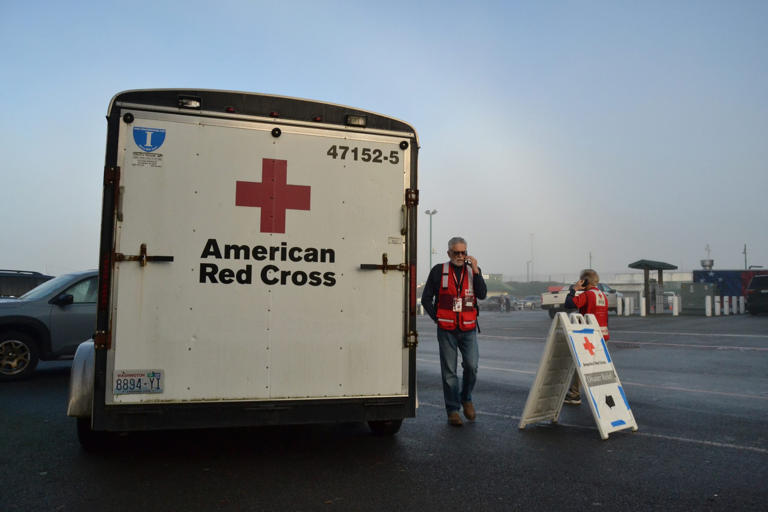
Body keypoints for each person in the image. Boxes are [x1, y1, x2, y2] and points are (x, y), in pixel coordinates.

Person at [421, 237, 487, 426]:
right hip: (446, 329)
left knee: (472, 366)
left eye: (463, 252)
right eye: (456, 252)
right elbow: (426, 299)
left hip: (468, 328)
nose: (460, 256)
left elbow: (482, 294)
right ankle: (453, 411)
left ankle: (466, 398)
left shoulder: (473, 271)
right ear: (449, 253)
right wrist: (438, 318)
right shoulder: (438, 271)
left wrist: (476, 271)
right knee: (449, 372)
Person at [563, 269, 610, 405]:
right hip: (602, 336)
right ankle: (602, 397)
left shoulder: (588, 295)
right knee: (598, 367)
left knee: (581, 366)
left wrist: (573, 289)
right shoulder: (602, 295)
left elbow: (569, 304)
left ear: (585, 281)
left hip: (589, 336)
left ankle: (574, 394)